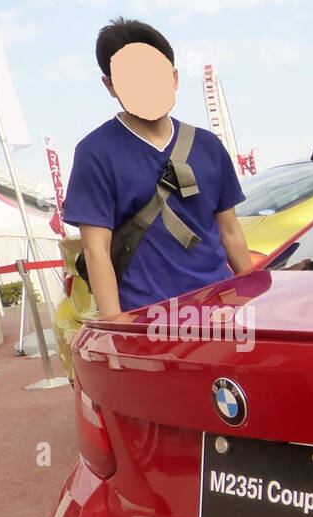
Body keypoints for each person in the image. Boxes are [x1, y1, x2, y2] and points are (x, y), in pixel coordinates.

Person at [62, 17, 249, 318]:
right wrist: (117, 331)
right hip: (150, 322)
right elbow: (96, 251)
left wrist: (251, 299)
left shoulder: (208, 146)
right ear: (109, 85)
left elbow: (230, 231)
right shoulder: (94, 152)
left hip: (221, 310)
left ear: (173, 77)